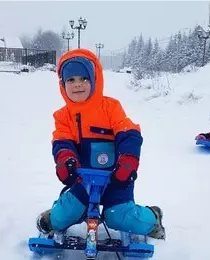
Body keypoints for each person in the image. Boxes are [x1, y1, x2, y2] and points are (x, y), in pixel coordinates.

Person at [36, 49, 165, 240]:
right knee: (68, 213)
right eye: (70, 80)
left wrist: (128, 160)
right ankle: (55, 216)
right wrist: (65, 160)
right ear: (63, 85)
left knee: (119, 217)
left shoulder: (110, 108)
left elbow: (129, 132)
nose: (77, 84)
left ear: (94, 80)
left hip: (116, 179)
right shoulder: (63, 116)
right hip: (83, 180)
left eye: (84, 78)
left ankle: (152, 217)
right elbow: (62, 141)